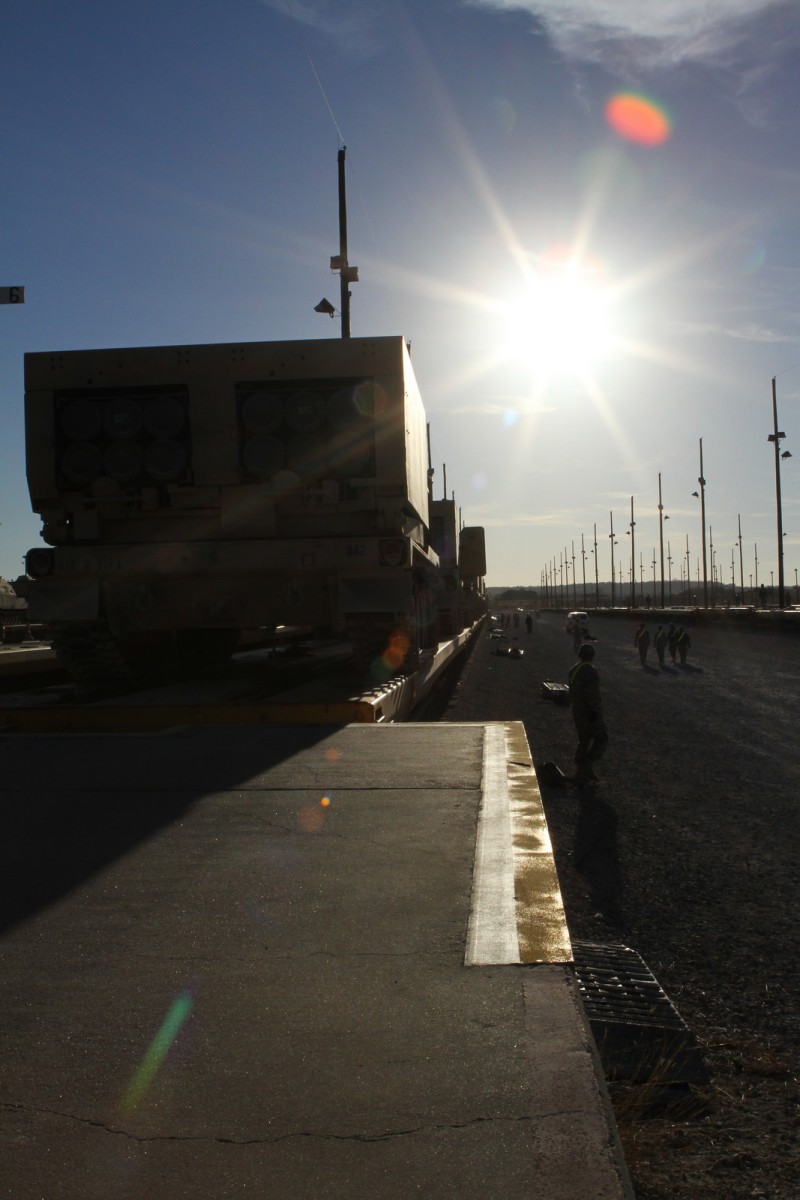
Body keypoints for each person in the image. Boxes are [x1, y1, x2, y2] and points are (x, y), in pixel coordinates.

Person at [568, 643, 608, 786]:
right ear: (592, 655)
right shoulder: (590, 670)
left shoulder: (574, 669)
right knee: (602, 738)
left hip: (577, 710)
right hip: (588, 712)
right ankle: (587, 766)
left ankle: (581, 771)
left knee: (584, 740)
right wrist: (595, 712)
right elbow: (592, 695)